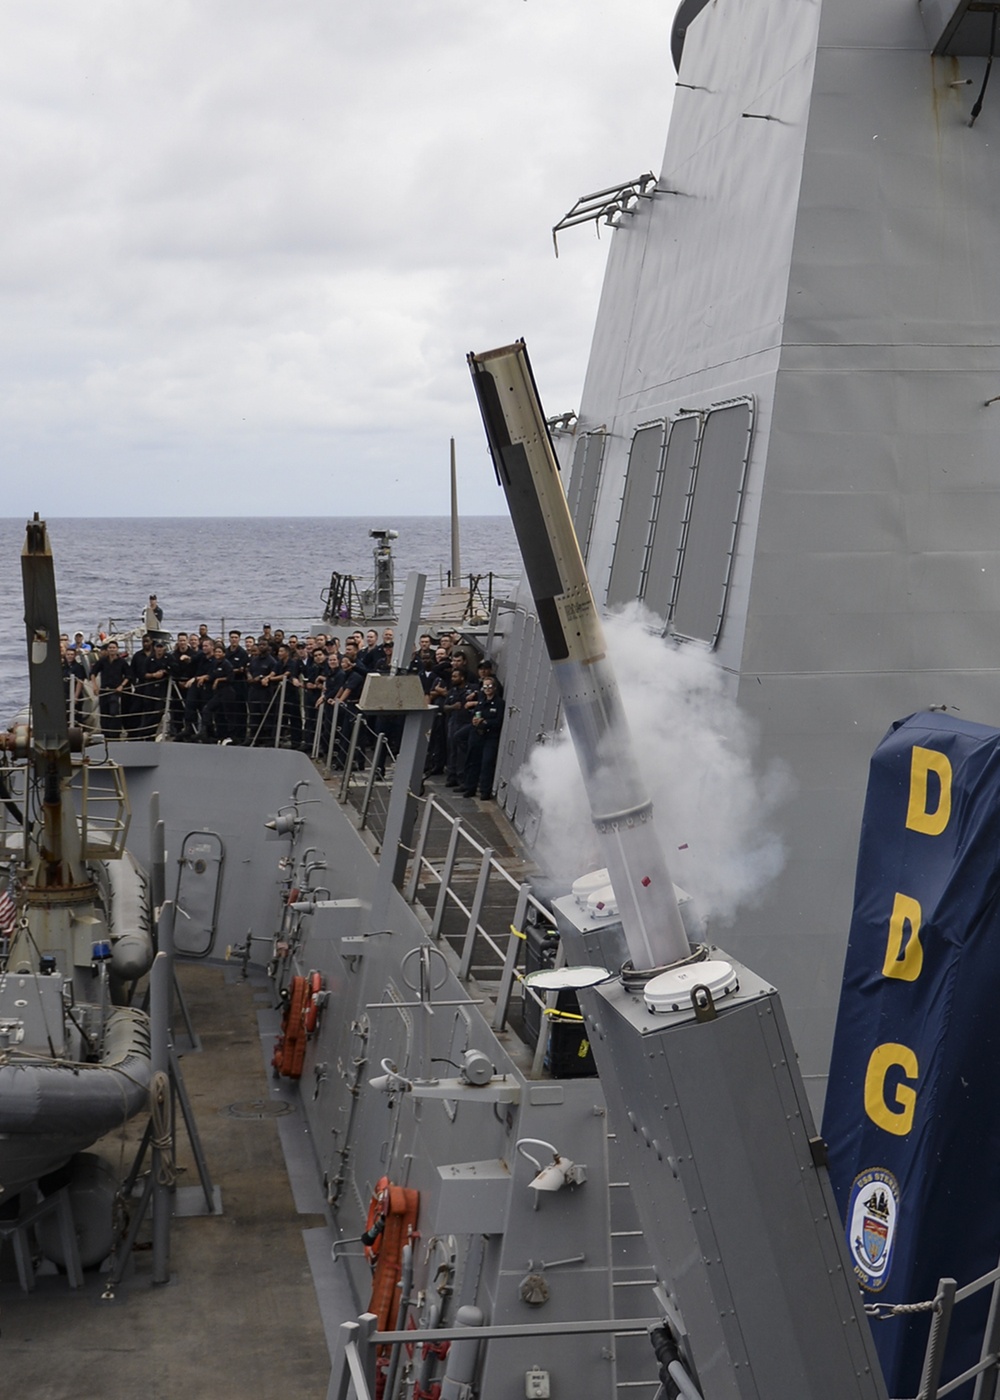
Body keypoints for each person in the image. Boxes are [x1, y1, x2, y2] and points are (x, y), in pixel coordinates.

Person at [462, 678, 504, 798]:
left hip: (490, 736)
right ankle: (470, 787)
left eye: (489, 686)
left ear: (495, 688)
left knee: (487, 763)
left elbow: (498, 721)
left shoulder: (499, 703)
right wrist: (475, 720)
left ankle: (485, 791)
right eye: (485, 687)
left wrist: (485, 722)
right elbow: (475, 713)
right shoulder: (481, 702)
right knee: (473, 762)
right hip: (477, 735)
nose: (487, 689)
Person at [91, 641, 131, 738]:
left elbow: (128, 675)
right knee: (104, 712)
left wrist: (122, 686)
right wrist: (95, 686)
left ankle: (115, 734)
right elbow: (93, 673)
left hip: (115, 690)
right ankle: (105, 733)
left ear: (117, 649)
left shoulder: (122, 662)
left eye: (114, 648)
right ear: (107, 649)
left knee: (114, 712)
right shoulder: (102, 661)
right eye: (110, 648)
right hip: (104, 690)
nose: (112, 649)